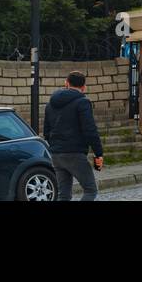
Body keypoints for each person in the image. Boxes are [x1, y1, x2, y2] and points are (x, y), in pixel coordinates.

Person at [44, 71, 105, 201]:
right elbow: (90, 130)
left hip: (56, 155)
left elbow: (46, 132)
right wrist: (98, 153)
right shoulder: (82, 102)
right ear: (83, 87)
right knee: (90, 190)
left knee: (63, 195)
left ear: (66, 83)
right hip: (75, 154)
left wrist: (56, 146)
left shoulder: (50, 105)